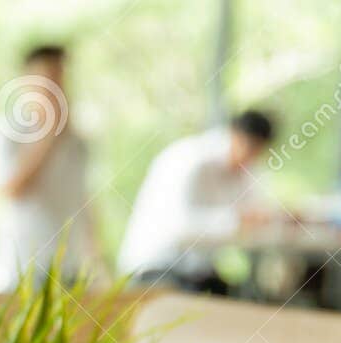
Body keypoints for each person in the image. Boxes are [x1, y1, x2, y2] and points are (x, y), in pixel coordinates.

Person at [118, 110, 279, 293]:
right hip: (154, 269)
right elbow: (180, 227)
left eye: (258, 152)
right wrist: (236, 219)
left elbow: (256, 210)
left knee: (246, 299)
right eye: (249, 148)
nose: (250, 158)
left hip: (196, 273)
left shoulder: (246, 170)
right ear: (233, 134)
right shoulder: (190, 160)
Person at [0, 45, 98, 286]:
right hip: (24, 266)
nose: (55, 90)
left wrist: (96, 257)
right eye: (47, 80)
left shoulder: (76, 141)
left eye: (60, 79)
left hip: (70, 268)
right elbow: (13, 189)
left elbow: (84, 200)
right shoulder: (5, 132)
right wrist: (48, 138)